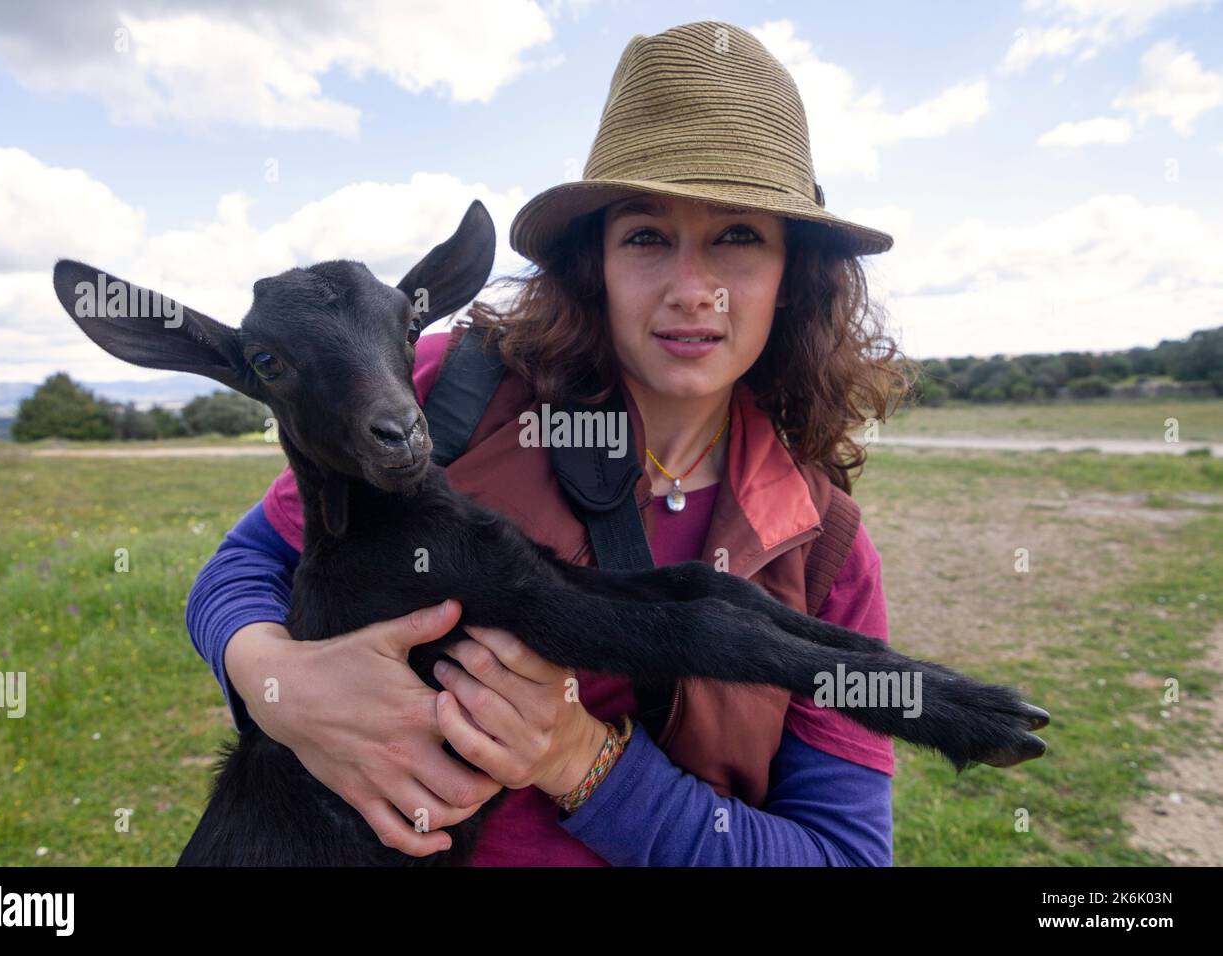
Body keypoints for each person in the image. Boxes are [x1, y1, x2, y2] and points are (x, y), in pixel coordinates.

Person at [185, 19, 911, 866]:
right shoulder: (446, 388)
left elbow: (846, 857)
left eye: (739, 236)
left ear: (795, 277)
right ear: (593, 259)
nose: (692, 289)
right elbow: (243, 566)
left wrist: (580, 760)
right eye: (646, 235)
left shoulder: (822, 549)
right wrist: (280, 683)